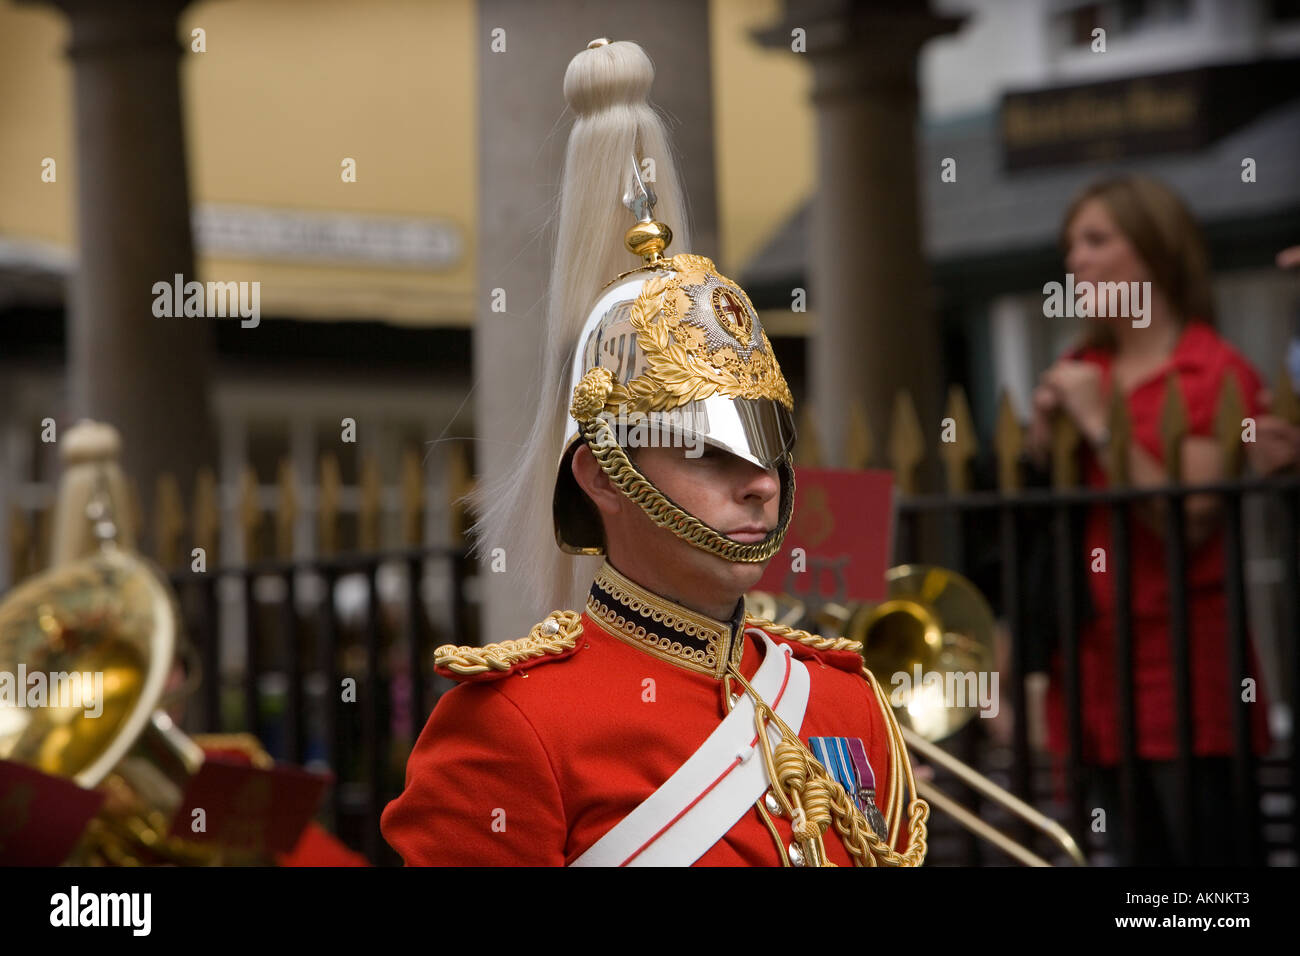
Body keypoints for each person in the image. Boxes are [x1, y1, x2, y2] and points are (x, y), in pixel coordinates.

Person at [380, 38, 927, 867]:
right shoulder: (512, 724)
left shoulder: (846, 701)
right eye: (708, 453)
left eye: (766, 445)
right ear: (603, 472)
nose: (757, 485)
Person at [1024, 175, 1273, 865]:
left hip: (1188, 687)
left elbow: (1189, 517)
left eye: (1098, 239)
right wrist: (1043, 435)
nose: (1077, 259)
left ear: (1157, 253)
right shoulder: (1081, 365)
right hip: (1090, 685)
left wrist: (1102, 421)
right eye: (1071, 243)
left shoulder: (1213, 372)